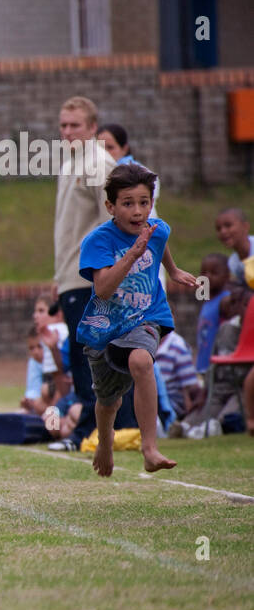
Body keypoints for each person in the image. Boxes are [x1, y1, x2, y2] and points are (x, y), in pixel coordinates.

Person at [76, 162, 196, 477]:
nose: (138, 211)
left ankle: (150, 448)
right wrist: (132, 254)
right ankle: (104, 442)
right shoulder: (98, 241)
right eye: (128, 204)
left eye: (144, 202)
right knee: (107, 400)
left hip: (146, 315)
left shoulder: (157, 229)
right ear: (110, 207)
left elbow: (160, 243)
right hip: (105, 326)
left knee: (142, 362)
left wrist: (173, 271)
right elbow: (102, 289)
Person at [48, 96, 116, 452]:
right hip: (70, 277)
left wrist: (103, 276)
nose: (68, 131)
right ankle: (87, 429)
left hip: (89, 279)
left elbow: (112, 225)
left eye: (75, 125)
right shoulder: (70, 162)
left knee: (91, 358)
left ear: (92, 128)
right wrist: (59, 275)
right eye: (63, 125)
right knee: (79, 357)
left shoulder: (99, 165)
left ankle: (88, 431)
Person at [215, 208, 254, 287]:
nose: (223, 231)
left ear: (245, 226)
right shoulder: (232, 263)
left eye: (228, 225)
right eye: (218, 229)